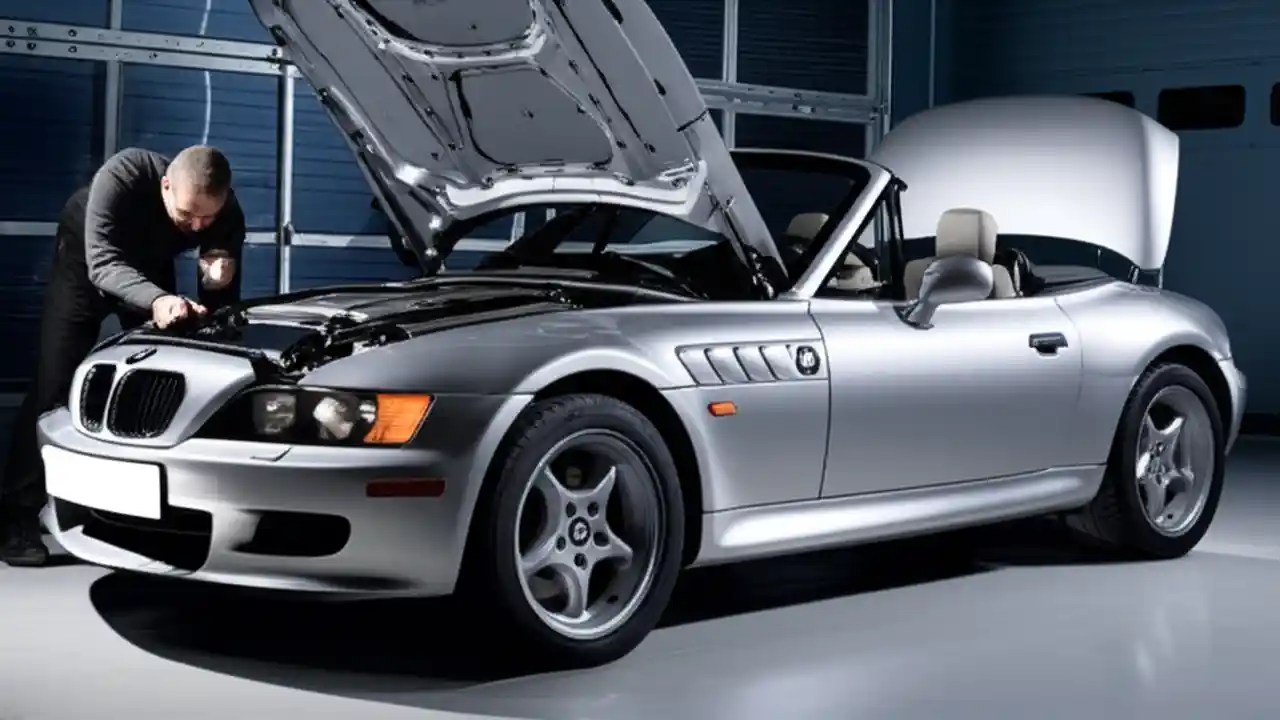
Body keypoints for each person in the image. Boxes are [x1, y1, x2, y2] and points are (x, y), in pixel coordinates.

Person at [0, 145, 246, 567]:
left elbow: (218, 307)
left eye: (207, 218)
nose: (197, 227)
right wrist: (159, 301)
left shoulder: (222, 212)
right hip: (86, 264)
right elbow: (103, 264)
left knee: (158, 387)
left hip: (151, 272)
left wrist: (216, 282)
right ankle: (16, 516)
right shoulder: (125, 175)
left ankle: (138, 512)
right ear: (165, 184)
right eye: (187, 216)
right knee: (54, 386)